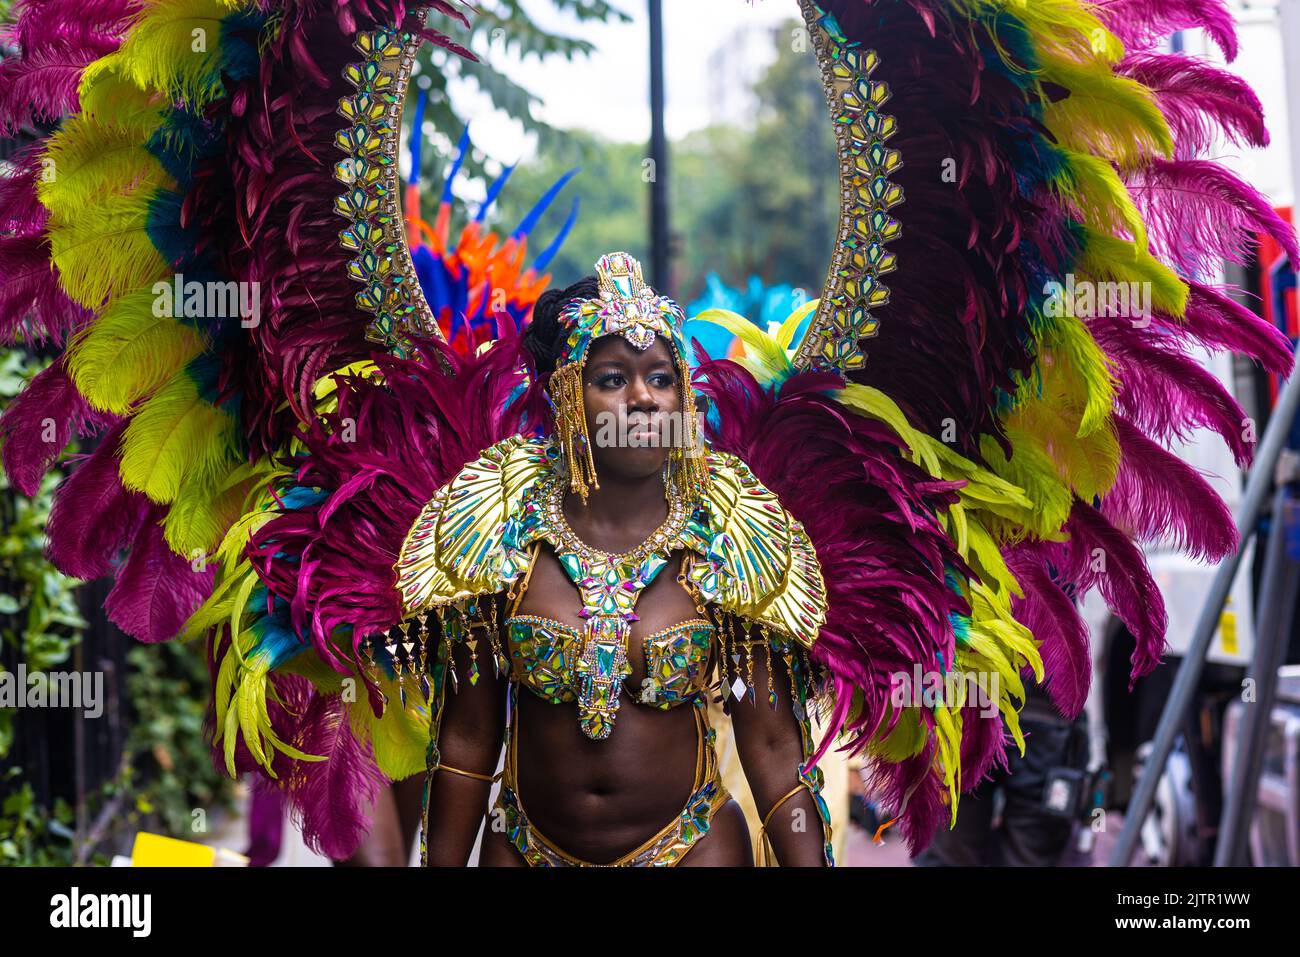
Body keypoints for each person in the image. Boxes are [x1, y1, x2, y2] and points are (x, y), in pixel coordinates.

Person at [2, 0, 1290, 869]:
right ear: (566, 403)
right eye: (613, 381)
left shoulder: (749, 536)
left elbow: (781, 755)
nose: (642, 402)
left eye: (663, 382)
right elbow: (462, 737)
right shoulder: (484, 526)